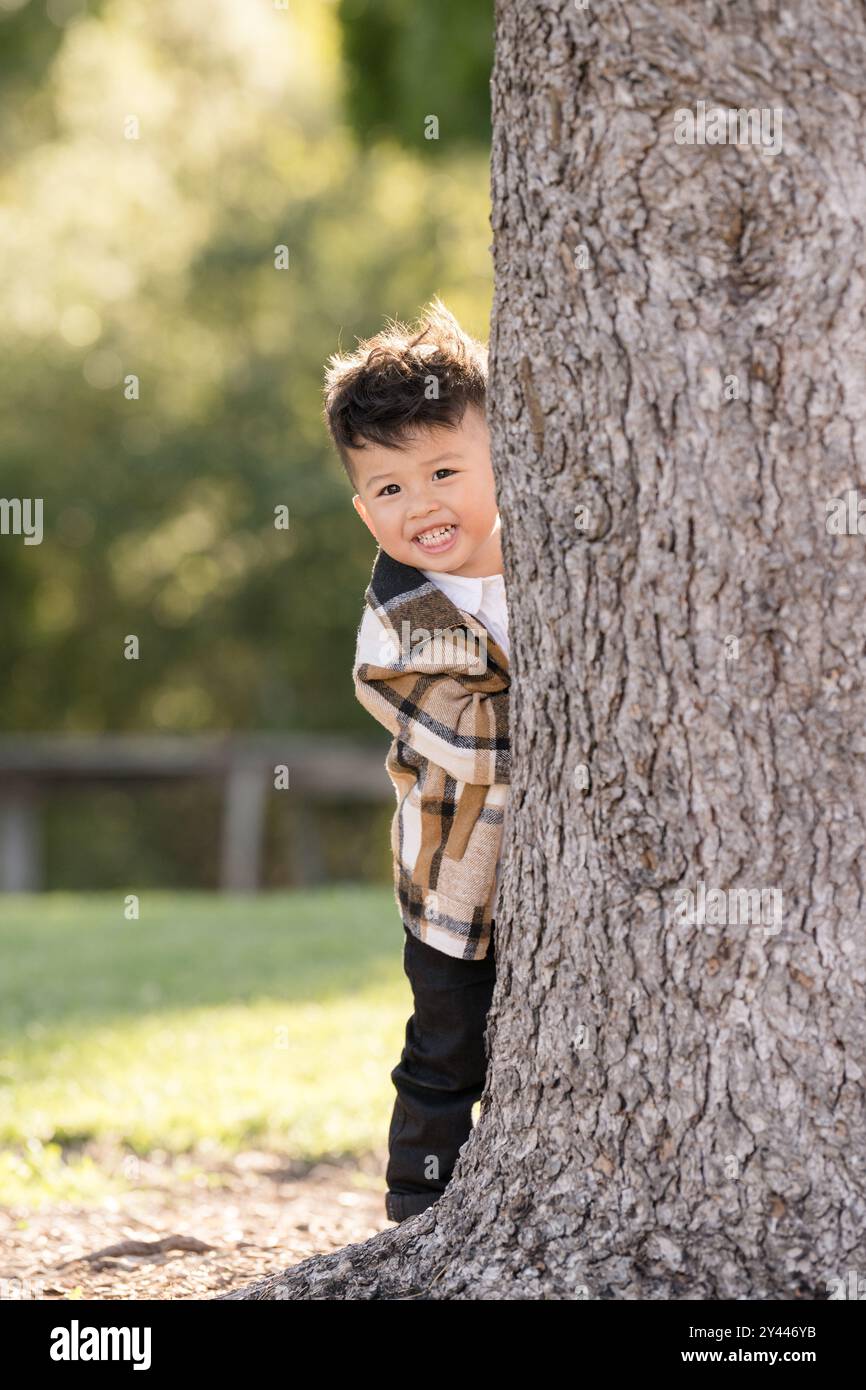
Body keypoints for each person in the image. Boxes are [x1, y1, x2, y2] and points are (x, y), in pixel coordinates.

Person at [322, 298, 511, 1222]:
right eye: (389, 489)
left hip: (569, 886)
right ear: (365, 513)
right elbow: (485, 745)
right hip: (454, 886)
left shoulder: (564, 564)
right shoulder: (399, 625)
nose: (422, 504)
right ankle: (419, 1214)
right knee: (445, 1053)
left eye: (443, 470)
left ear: (505, 458)